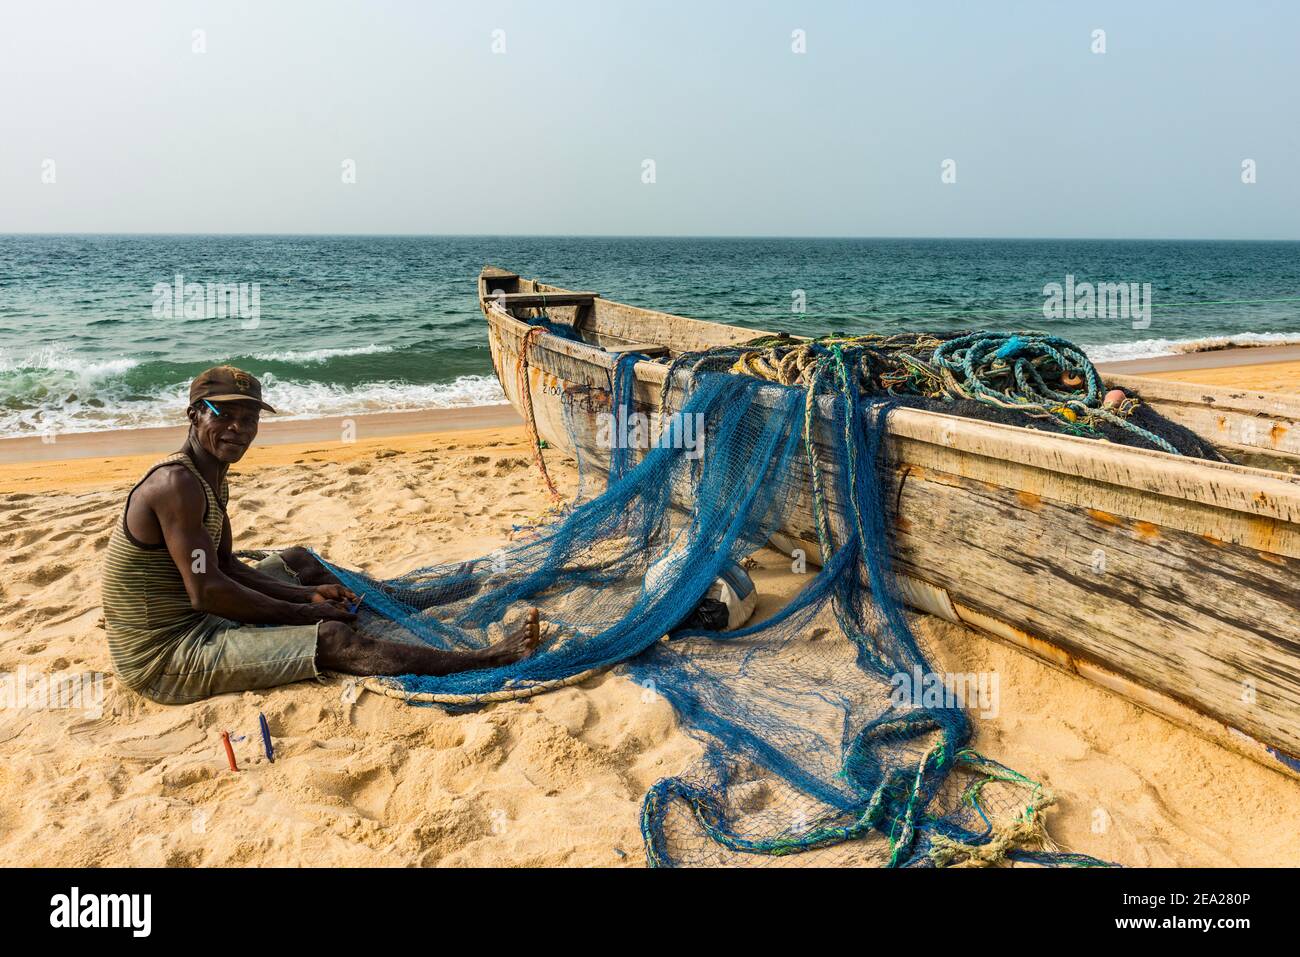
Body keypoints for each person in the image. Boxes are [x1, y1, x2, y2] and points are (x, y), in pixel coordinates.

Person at [101, 365, 539, 705]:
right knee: (332, 637)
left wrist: (306, 594)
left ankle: (403, 600)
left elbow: (228, 565)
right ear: (194, 414)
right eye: (223, 415)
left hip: (204, 617)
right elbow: (208, 591)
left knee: (300, 562)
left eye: (248, 417)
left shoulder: (210, 476)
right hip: (168, 656)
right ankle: (487, 658)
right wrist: (304, 614)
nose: (238, 428)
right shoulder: (175, 485)